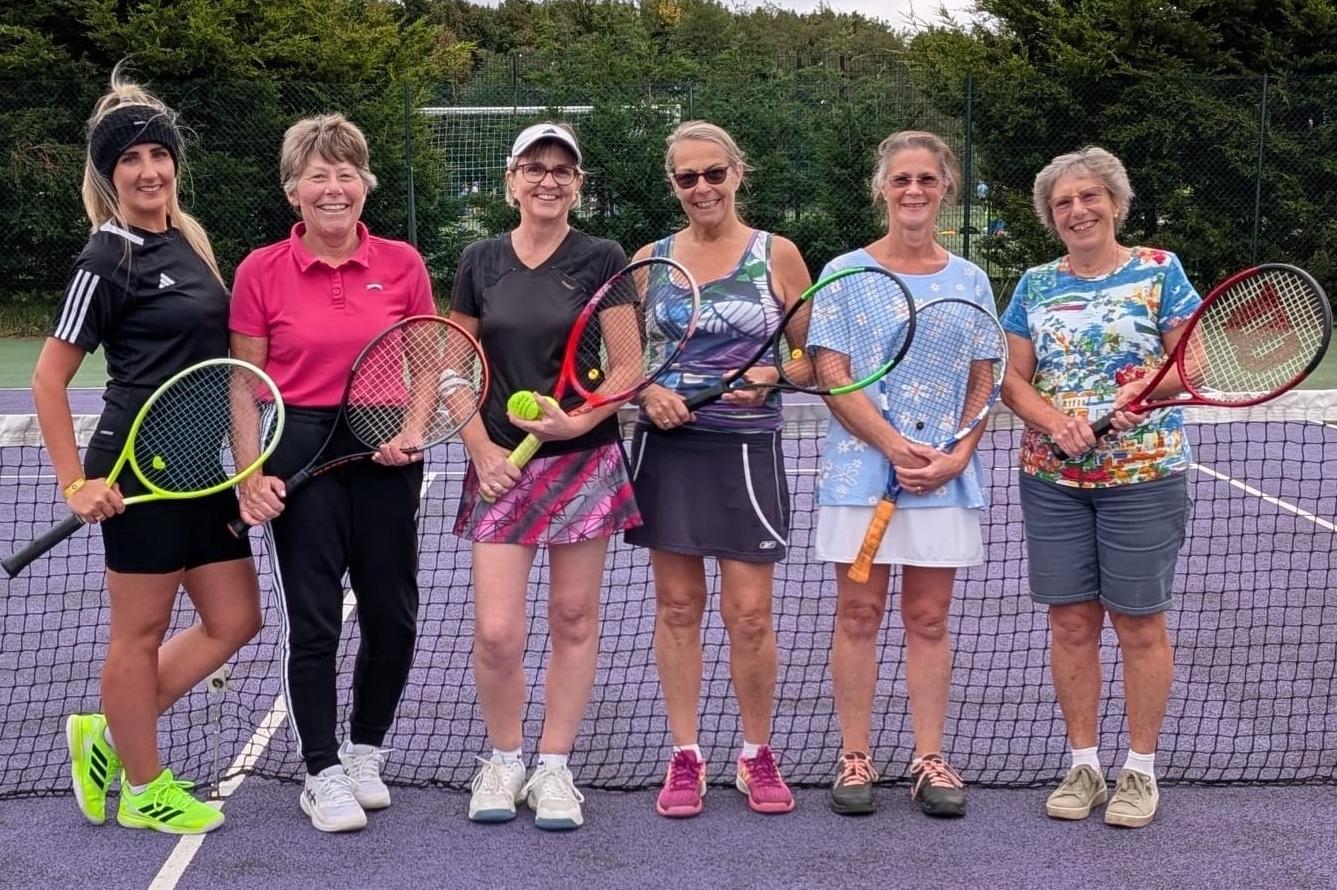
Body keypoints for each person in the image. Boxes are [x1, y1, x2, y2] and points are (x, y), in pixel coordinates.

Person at [35, 68, 260, 835]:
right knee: (138, 634)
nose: (148, 170)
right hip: (139, 473)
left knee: (236, 620)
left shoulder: (186, 238)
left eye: (157, 155)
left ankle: (107, 730)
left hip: (203, 472)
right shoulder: (107, 255)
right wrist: (74, 484)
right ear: (109, 174)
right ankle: (144, 786)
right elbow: (48, 379)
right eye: (129, 160)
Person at [230, 114, 434, 833]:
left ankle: (364, 752)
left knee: (393, 615)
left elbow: (426, 358)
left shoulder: (403, 263)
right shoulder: (259, 270)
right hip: (298, 445)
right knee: (313, 623)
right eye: (318, 174)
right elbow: (242, 380)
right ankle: (319, 771)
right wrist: (251, 473)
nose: (333, 187)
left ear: (364, 184)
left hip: (382, 444)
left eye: (346, 173)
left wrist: (411, 430)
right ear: (293, 191)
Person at [999, 146, 1201, 829]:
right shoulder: (1033, 284)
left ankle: (1138, 771)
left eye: (1089, 197)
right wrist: (1056, 420)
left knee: (1139, 624)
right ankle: (1082, 764)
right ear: (1049, 216)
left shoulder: (1158, 270)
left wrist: (1147, 386)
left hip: (1143, 473)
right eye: (1063, 202)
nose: (1077, 210)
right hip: (1051, 477)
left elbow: (1191, 359)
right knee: (1070, 622)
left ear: (1114, 202)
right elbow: (1011, 379)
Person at [450, 122, 638, 831]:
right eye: (534, 167)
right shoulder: (479, 260)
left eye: (562, 169)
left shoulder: (602, 258)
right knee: (497, 632)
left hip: (581, 464)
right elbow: (450, 363)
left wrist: (579, 423)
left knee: (572, 618)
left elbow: (625, 368)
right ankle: (504, 758)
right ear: (511, 180)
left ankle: (554, 768)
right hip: (499, 468)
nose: (548, 179)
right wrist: (478, 448)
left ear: (578, 184)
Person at [626, 121, 812, 819]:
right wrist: (648, 390)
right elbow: (626, 359)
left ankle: (756, 755)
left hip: (745, 450)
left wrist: (769, 372)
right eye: (685, 178)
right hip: (668, 449)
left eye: (712, 173)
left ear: (737, 173)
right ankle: (685, 756)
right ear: (672, 185)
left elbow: (811, 356)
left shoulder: (777, 255)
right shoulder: (651, 259)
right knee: (676, 608)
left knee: (750, 615)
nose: (700, 188)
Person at [808, 131, 994, 819]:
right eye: (900, 179)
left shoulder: (970, 280)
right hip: (862, 479)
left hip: (941, 478)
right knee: (857, 613)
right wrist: (890, 444)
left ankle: (928, 757)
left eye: (926, 179)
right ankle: (854, 755)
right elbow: (830, 373)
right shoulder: (844, 272)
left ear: (945, 187)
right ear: (881, 188)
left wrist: (957, 454)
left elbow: (986, 375)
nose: (913, 190)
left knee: (927, 617)